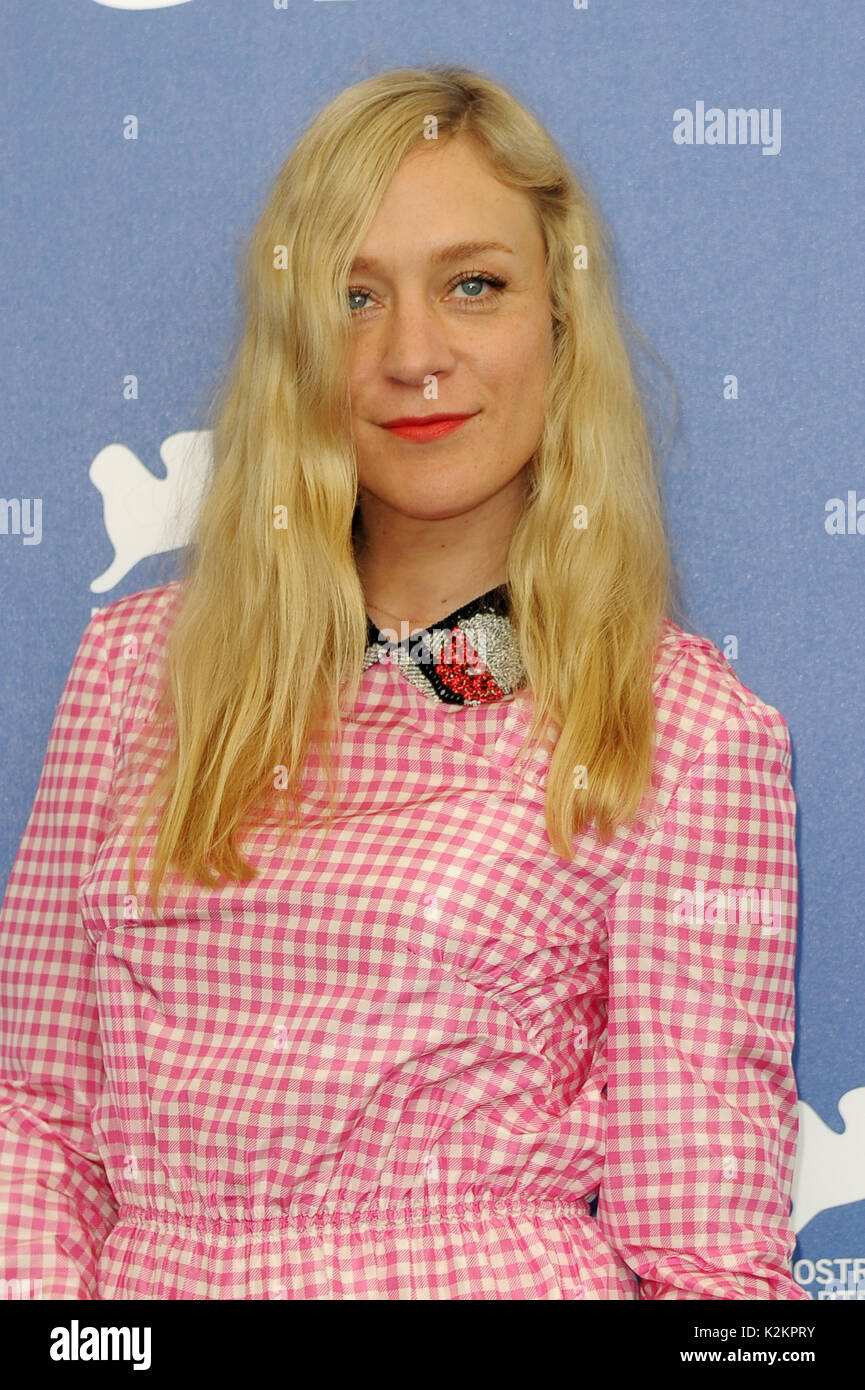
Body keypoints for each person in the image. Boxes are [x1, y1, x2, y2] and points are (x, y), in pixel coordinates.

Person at [0, 64, 809, 1301]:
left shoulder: (681, 729)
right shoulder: (135, 675)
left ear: (560, 324)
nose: (412, 354)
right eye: (353, 296)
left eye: (472, 285)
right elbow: (35, 1117)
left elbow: (707, 1266)